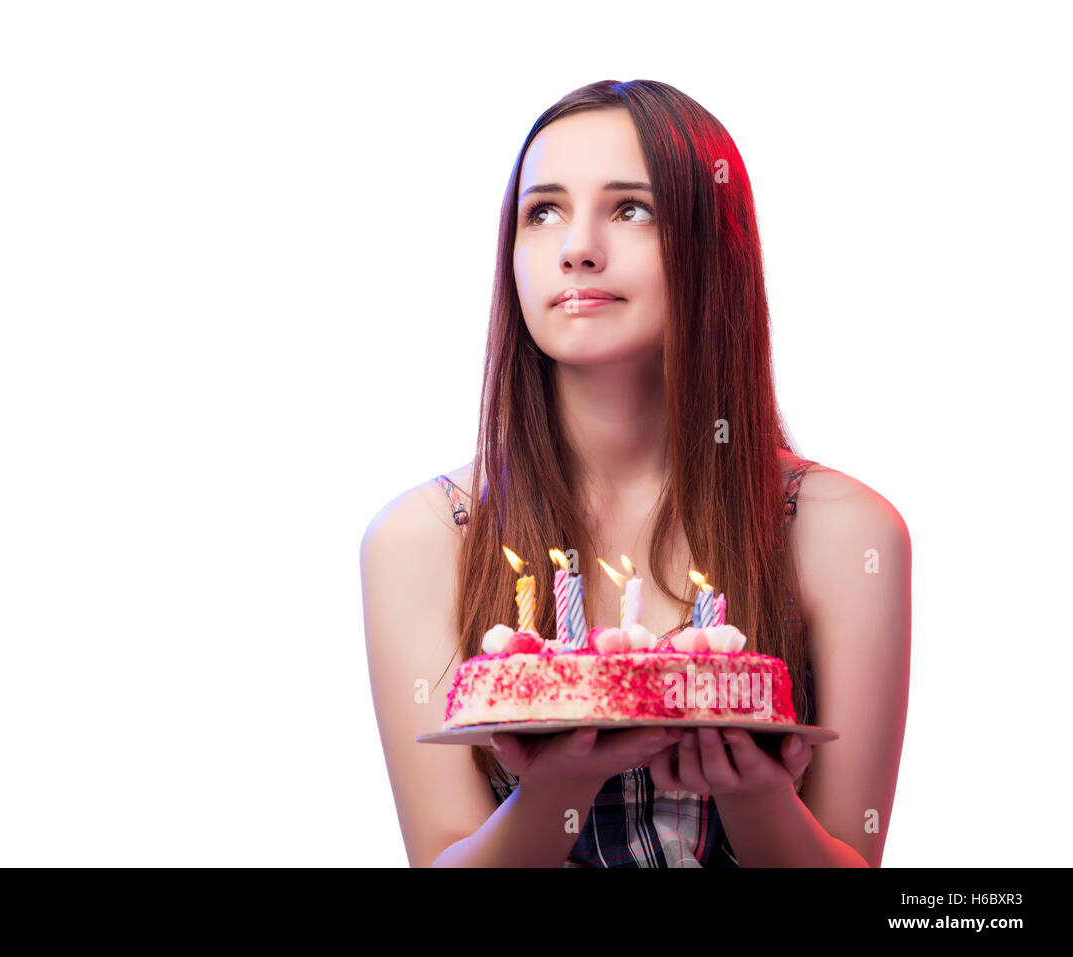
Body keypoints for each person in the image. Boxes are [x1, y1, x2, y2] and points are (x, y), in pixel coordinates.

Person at [361, 80, 910, 868]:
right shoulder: (423, 537)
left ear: (712, 243)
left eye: (630, 209)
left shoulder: (844, 530)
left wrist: (758, 800)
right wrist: (554, 791)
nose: (576, 246)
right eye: (543, 210)